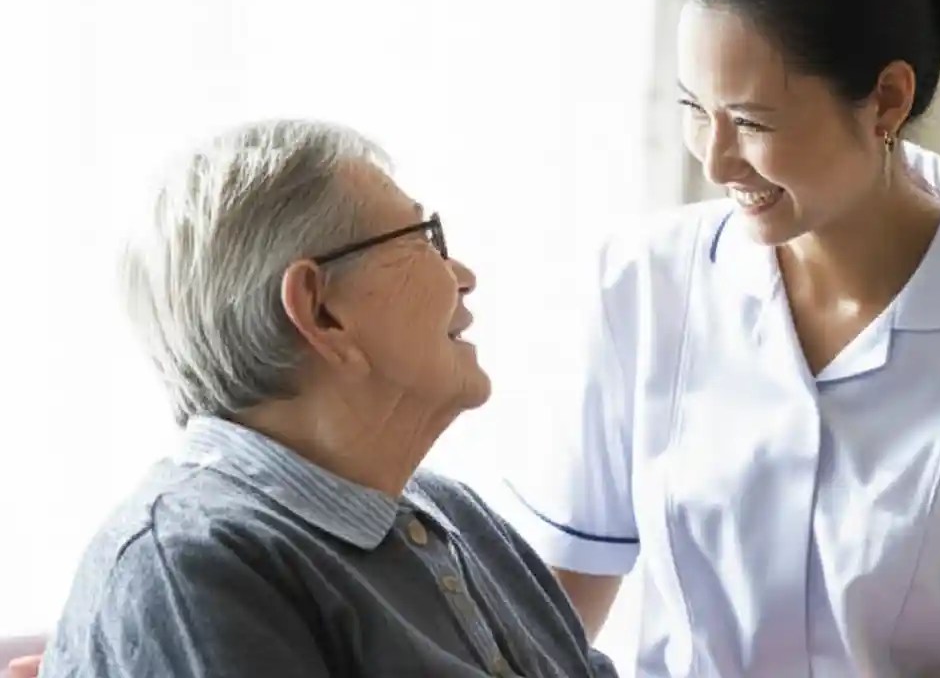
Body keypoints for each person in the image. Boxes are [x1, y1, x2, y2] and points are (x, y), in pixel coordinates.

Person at [493, 0, 940, 676]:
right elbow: (543, 626)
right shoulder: (641, 283)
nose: (716, 160)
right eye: (696, 111)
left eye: (753, 121)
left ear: (886, 100)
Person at [25, 120, 616, 678]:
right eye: (424, 240)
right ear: (321, 310)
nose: (461, 274)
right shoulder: (188, 564)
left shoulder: (451, 511)